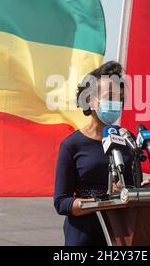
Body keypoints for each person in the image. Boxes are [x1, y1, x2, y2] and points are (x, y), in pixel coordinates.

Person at [53, 61, 137, 246]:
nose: (115, 103)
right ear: (89, 99)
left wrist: (136, 188)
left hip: (122, 236)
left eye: (119, 98)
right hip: (85, 237)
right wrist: (103, 200)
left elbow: (132, 186)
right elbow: (62, 202)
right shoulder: (72, 146)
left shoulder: (126, 138)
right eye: (110, 96)